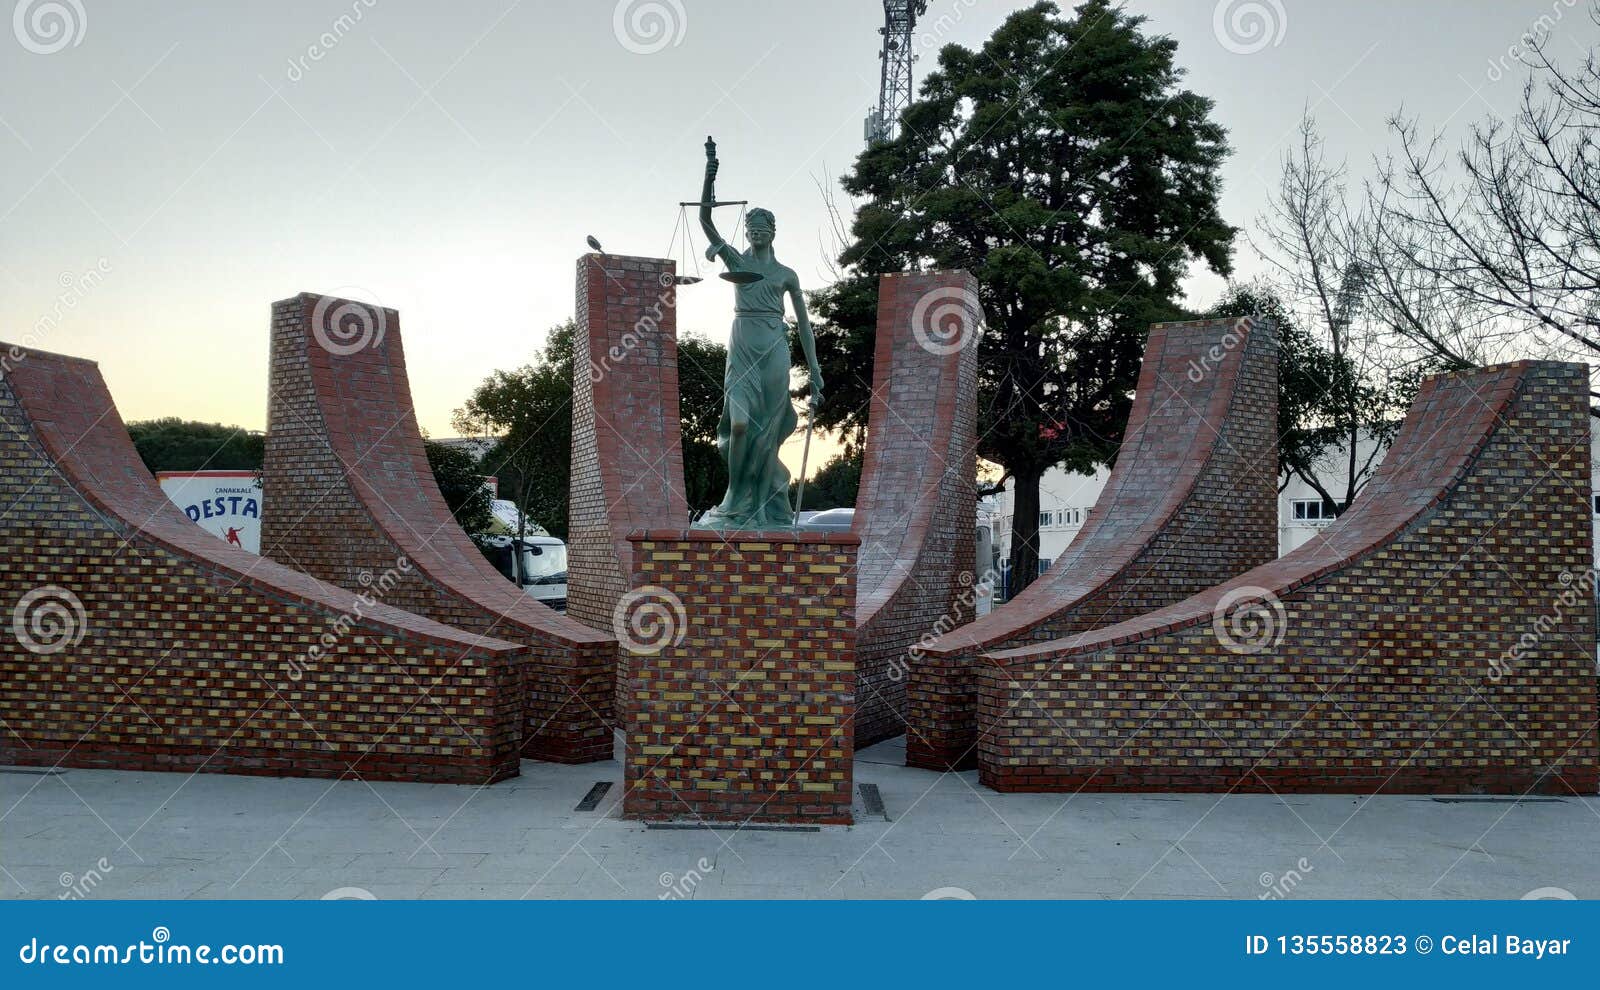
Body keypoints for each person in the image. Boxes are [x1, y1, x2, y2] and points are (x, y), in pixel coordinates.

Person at [693, 137, 824, 530]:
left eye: (761, 227)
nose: (755, 233)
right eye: (751, 227)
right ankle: (736, 497)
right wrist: (709, 174)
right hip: (743, 345)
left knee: (767, 432)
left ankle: (764, 503)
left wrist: (815, 372)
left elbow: (802, 324)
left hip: (774, 351)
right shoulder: (736, 261)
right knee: (738, 425)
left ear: (773, 232)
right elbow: (704, 220)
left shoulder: (786, 275)